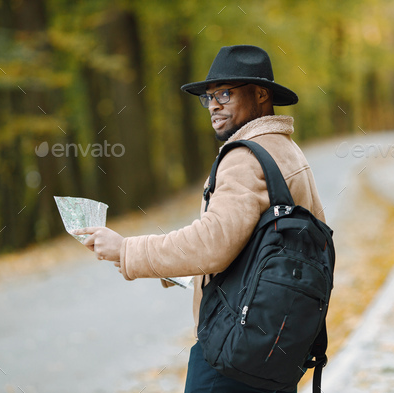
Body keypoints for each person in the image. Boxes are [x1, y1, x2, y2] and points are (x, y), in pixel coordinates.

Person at [74, 45, 326, 393]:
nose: (214, 105)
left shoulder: (244, 157)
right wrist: (173, 268)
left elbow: (214, 243)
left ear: (262, 94)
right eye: (208, 97)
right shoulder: (287, 149)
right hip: (279, 341)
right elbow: (257, 245)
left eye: (225, 93)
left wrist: (127, 249)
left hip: (235, 346)